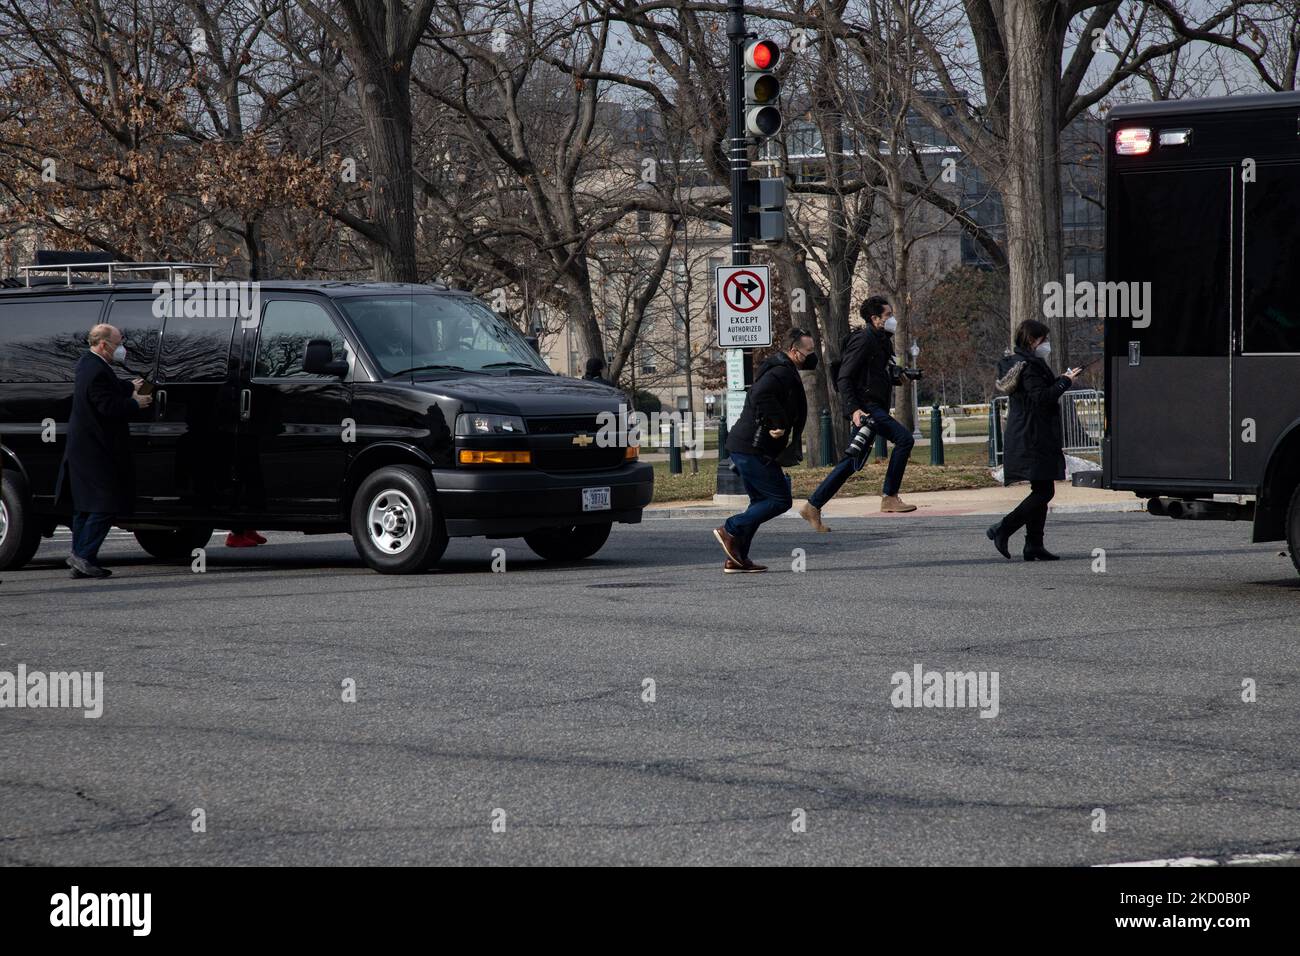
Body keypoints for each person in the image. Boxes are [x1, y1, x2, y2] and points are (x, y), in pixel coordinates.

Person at [799, 294, 915, 532]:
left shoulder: (883, 341)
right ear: (874, 319)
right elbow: (845, 377)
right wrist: (854, 409)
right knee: (904, 439)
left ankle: (813, 506)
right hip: (867, 408)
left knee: (852, 462)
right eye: (888, 315)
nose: (892, 319)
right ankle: (889, 496)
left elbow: (872, 375)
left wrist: (896, 378)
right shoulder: (863, 340)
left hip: (875, 406)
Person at [713, 328, 814, 573]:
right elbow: (759, 395)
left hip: (750, 447)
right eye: (809, 350)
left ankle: (736, 558)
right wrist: (777, 422)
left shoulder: (782, 368)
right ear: (794, 351)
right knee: (779, 500)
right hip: (751, 448)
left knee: (759, 502)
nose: (812, 355)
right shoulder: (780, 371)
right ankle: (730, 528)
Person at [56, 324, 151, 579]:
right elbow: (106, 406)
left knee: (84, 507)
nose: (122, 348)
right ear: (103, 344)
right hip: (95, 450)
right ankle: (83, 555)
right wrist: (135, 403)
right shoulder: (96, 370)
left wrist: (127, 385)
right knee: (103, 504)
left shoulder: (90, 364)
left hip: (83, 449)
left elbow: (105, 388)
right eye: (118, 343)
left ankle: (81, 559)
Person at [986, 319, 1081, 561]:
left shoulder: (1022, 363)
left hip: (1030, 432)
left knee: (1041, 487)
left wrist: (1060, 379)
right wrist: (1064, 382)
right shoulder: (1028, 366)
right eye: (1044, 340)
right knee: (1044, 491)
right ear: (1032, 341)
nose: (1047, 345)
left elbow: (1036, 393)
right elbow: (1041, 398)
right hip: (1032, 435)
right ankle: (1003, 528)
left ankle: (1034, 544)